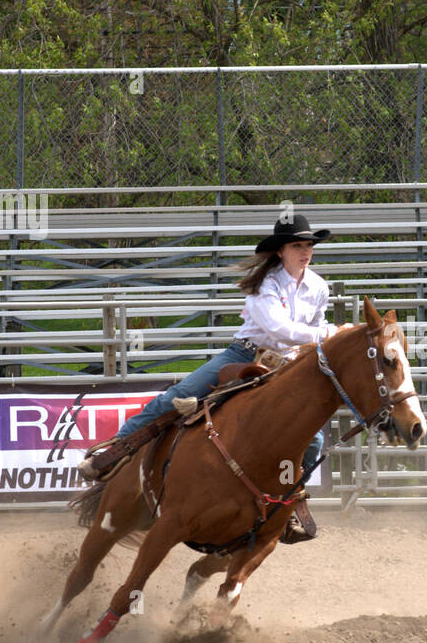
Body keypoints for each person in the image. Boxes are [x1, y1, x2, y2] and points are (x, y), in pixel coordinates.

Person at [78, 213, 338, 542]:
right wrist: (329, 334)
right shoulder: (266, 285)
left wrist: (320, 337)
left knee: (311, 438)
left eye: (308, 245)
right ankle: (114, 449)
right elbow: (280, 330)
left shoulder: (317, 286)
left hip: (284, 367)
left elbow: (309, 328)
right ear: (280, 251)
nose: (305, 251)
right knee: (181, 394)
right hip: (245, 354)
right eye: (297, 245)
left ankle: (284, 506)